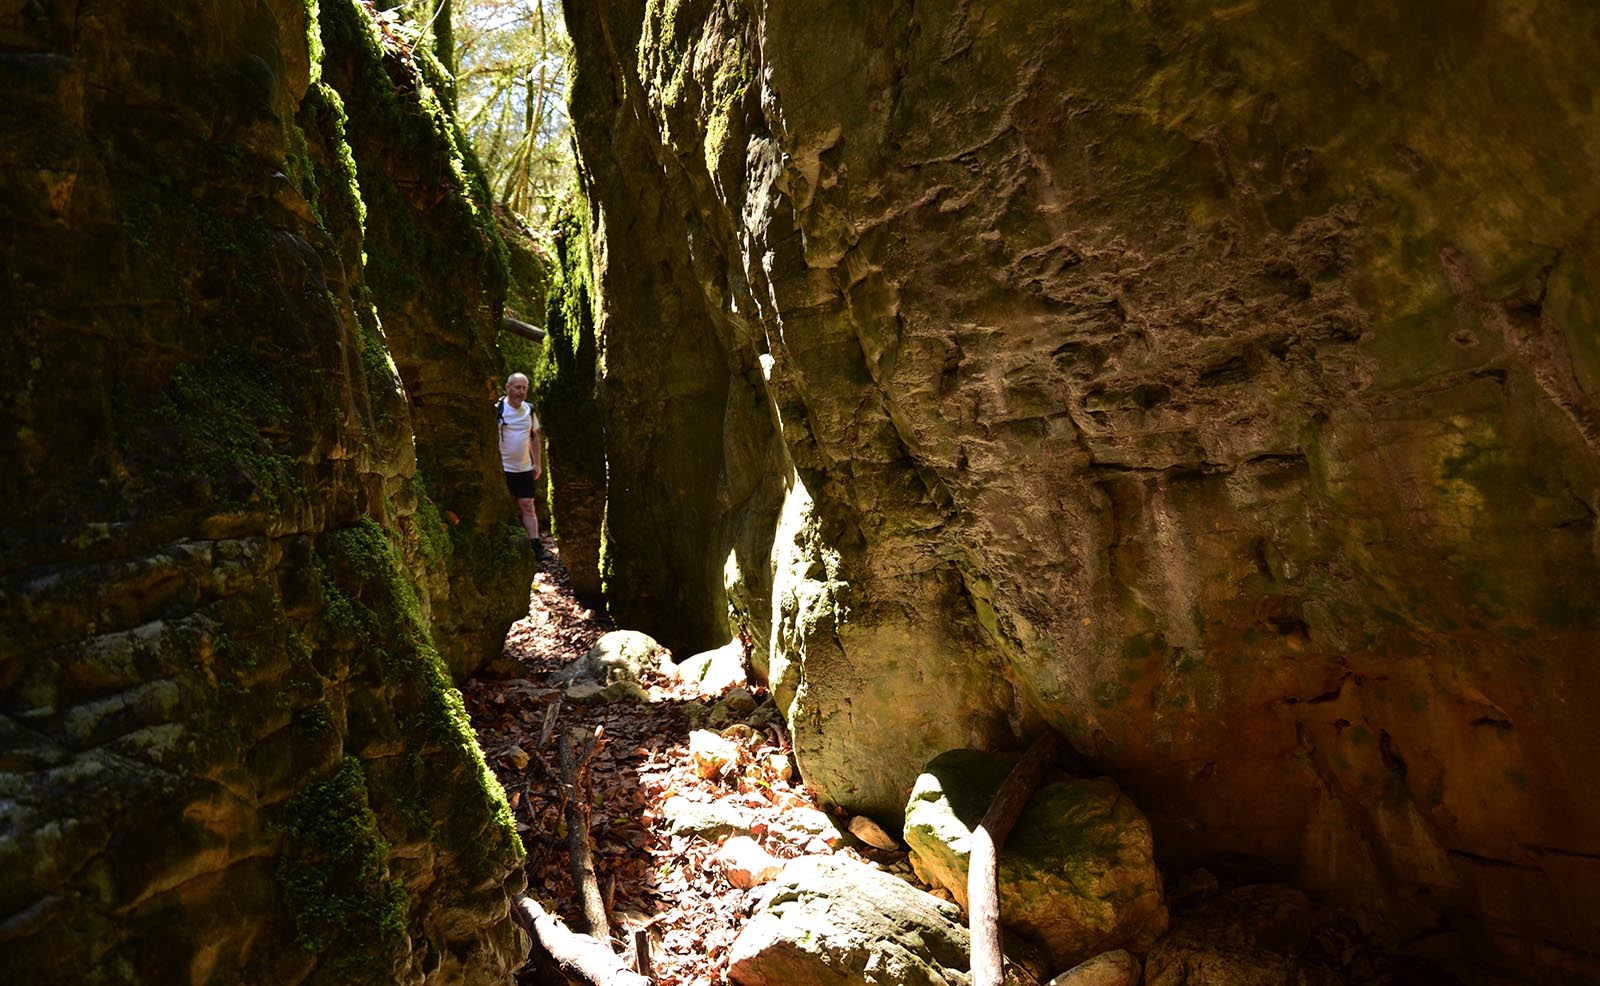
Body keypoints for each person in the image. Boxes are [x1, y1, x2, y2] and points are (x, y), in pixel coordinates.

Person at [497, 372, 548, 561]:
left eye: (524, 388)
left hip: (524, 468)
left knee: (528, 505)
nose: (521, 392)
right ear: (507, 388)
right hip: (503, 469)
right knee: (504, 507)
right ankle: (505, 547)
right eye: (517, 387)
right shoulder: (498, 409)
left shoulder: (529, 410)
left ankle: (536, 546)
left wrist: (537, 464)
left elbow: (534, 438)